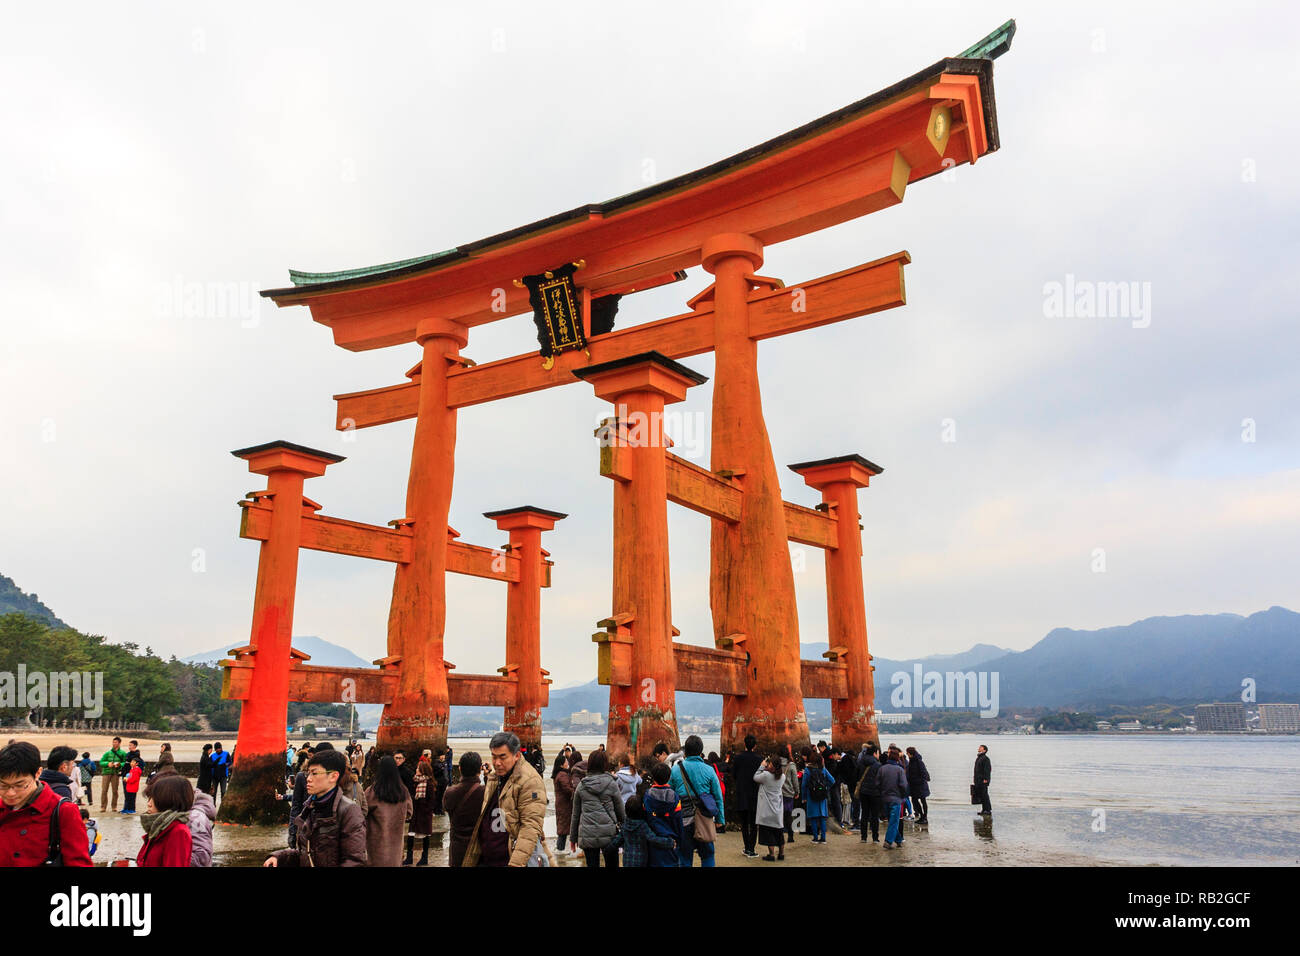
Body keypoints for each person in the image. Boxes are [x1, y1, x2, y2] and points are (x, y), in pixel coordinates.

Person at [264, 749, 367, 867]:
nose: (308, 778)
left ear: (333, 776)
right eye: (308, 773)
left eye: (314, 773)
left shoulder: (349, 811)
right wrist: (280, 857)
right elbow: (307, 853)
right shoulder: (310, 807)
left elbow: (354, 860)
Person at [462, 732, 552, 867]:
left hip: (508, 857)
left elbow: (530, 827)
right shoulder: (494, 777)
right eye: (494, 756)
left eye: (503, 757)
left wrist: (515, 864)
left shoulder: (530, 781)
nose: (497, 763)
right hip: (488, 857)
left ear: (516, 755)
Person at [0, 741, 92, 866]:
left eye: (19, 785)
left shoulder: (63, 811)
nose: (10, 793)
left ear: (38, 773)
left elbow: (79, 862)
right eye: (3, 785)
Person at [669, 734, 725, 867]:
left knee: (684, 857)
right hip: (704, 818)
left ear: (685, 752)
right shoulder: (709, 770)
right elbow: (718, 797)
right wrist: (720, 819)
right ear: (701, 752)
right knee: (707, 855)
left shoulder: (676, 769)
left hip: (683, 820)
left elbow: (670, 795)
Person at [570, 748, 624, 868]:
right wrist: (626, 831)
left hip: (587, 835)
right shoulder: (612, 784)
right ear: (605, 764)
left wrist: (573, 838)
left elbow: (575, 815)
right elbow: (620, 811)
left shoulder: (581, 786)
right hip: (609, 834)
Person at [364, 755, 413, 867]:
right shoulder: (403, 791)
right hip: (395, 848)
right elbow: (409, 813)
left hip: (376, 847)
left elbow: (362, 812)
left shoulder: (372, 791)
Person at [137, 773, 194, 867]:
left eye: (153, 798)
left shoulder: (178, 832)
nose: (149, 804)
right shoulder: (158, 827)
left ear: (168, 799)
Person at [443, 752, 485, 868]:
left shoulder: (450, 792)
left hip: (457, 847)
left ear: (460, 768)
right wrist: (488, 776)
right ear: (480, 769)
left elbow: (446, 807)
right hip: (478, 847)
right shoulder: (484, 792)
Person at [608, 795, 673, 868]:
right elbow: (653, 839)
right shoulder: (643, 826)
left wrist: (607, 848)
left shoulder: (625, 825)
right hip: (640, 861)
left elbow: (617, 841)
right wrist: (669, 842)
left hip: (627, 861)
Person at [642, 761, 682, 867]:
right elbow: (678, 819)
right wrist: (680, 838)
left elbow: (646, 817)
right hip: (671, 839)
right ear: (669, 777)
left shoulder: (648, 796)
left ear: (653, 778)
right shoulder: (675, 796)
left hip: (654, 839)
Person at [730, 734, 762, 858]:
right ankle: (751, 849)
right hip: (754, 794)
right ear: (755, 746)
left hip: (742, 793)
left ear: (745, 744)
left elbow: (734, 774)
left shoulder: (738, 758)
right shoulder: (759, 759)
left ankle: (746, 847)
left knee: (744, 823)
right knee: (754, 824)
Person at [404, 755, 437, 866]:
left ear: (423, 770)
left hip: (424, 814)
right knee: (411, 835)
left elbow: (431, 801)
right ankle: (409, 857)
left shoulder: (429, 784)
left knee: (426, 836)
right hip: (415, 813)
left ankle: (425, 858)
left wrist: (426, 811)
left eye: (418, 768)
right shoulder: (415, 782)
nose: (416, 770)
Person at [753, 753, 786, 861]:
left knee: (768, 833)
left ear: (772, 765)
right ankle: (781, 854)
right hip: (777, 809)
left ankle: (771, 854)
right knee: (779, 832)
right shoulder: (782, 777)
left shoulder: (766, 776)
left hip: (767, 809)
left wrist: (762, 766)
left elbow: (755, 777)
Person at [801, 752, 834, 844]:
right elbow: (832, 780)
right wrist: (825, 788)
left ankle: (815, 838)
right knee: (822, 818)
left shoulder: (808, 770)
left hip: (811, 796)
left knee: (813, 818)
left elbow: (804, 785)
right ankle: (823, 838)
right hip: (822, 796)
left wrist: (804, 797)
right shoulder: (823, 769)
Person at [881, 747, 909, 849]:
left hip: (884, 798)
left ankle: (898, 839)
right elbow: (903, 785)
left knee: (891, 820)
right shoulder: (899, 770)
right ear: (897, 758)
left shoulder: (882, 768)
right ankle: (888, 841)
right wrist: (903, 796)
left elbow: (877, 783)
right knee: (894, 821)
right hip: (896, 799)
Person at [855, 744, 884, 843]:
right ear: (875, 753)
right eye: (878, 753)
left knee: (864, 814)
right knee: (874, 815)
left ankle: (863, 837)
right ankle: (875, 838)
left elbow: (857, 775)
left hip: (863, 791)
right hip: (874, 792)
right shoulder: (877, 765)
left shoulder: (861, 762)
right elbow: (880, 780)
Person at [553, 750, 578, 854]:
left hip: (562, 804)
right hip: (564, 805)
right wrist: (577, 792)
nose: (567, 763)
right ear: (562, 764)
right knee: (563, 827)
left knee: (563, 826)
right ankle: (560, 848)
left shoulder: (559, 773)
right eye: (566, 762)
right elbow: (567, 789)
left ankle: (560, 848)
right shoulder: (562, 775)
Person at [98, 737, 128, 811]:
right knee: (104, 790)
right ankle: (103, 806)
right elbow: (101, 762)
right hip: (106, 773)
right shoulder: (107, 753)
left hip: (115, 773)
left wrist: (119, 764)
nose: (114, 743)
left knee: (115, 791)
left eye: (116, 742)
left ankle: (114, 806)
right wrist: (107, 764)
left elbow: (125, 763)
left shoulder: (123, 753)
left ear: (119, 743)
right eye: (113, 742)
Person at [905, 747, 931, 824]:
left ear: (910, 754)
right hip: (914, 786)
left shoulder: (919, 762)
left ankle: (924, 817)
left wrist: (917, 781)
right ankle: (922, 816)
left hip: (920, 786)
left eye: (907, 753)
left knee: (923, 801)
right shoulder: (911, 761)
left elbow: (924, 774)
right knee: (915, 801)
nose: (907, 754)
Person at [781, 744, 799, 843]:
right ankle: (790, 835)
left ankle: (780, 834)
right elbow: (795, 780)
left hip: (778, 793)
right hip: (788, 793)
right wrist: (797, 791)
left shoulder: (776, 764)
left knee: (779, 814)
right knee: (788, 814)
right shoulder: (791, 765)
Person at [974, 744, 992, 817]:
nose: (979, 748)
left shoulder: (985, 758)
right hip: (978, 779)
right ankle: (984, 809)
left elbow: (987, 770)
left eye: (981, 748)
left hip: (983, 780)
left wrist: (986, 779)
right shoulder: (979, 757)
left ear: (984, 750)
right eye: (979, 747)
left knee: (984, 795)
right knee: (981, 795)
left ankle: (987, 810)